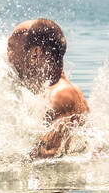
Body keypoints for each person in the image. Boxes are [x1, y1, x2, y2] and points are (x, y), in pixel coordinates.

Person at [6, 19, 89, 159]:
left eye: (11, 48)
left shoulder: (60, 96)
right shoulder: (62, 87)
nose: (7, 57)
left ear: (35, 53)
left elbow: (47, 160)